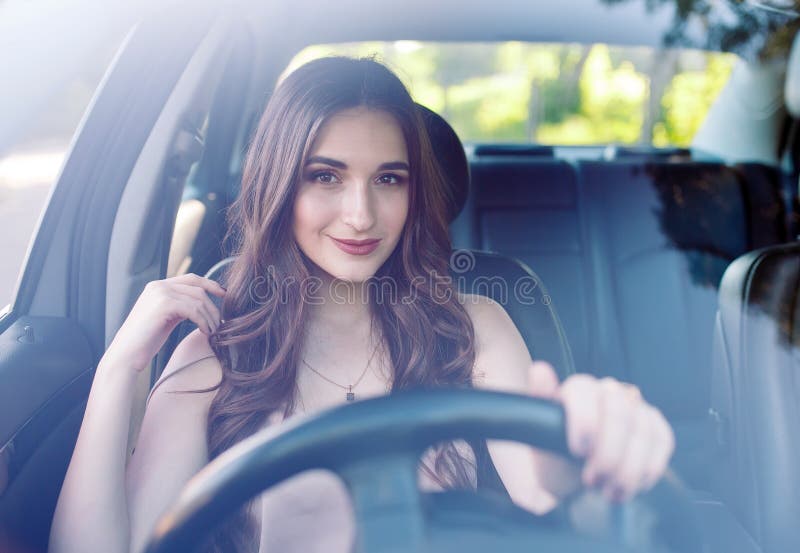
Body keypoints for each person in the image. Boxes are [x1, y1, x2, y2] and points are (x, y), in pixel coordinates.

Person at [48, 56, 674, 553]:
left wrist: (581, 470)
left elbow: (548, 505)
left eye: (388, 179)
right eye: (325, 176)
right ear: (280, 184)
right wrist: (117, 372)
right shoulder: (216, 354)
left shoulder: (475, 327)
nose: (361, 214)